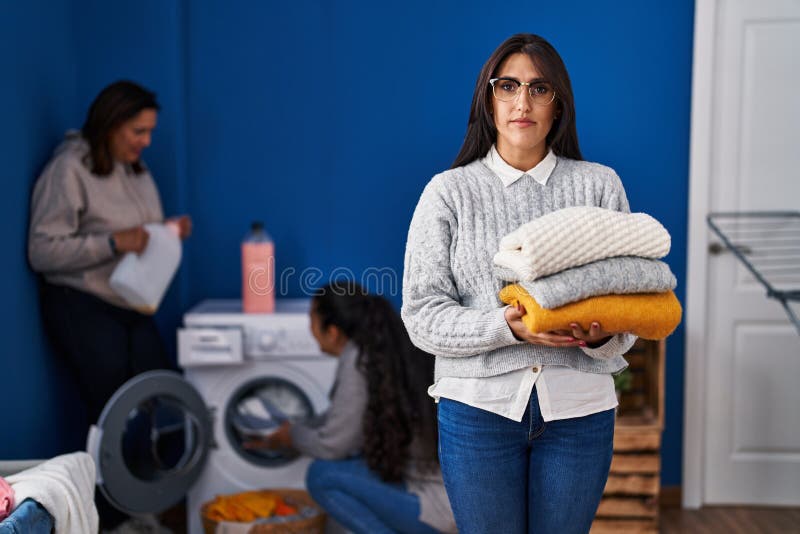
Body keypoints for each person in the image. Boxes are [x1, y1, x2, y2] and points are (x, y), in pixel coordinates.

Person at [401, 33, 639, 534]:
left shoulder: (600, 186)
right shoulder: (449, 192)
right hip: (477, 411)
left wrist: (600, 333)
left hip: (579, 409)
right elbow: (422, 314)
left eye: (539, 88)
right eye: (508, 86)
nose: (522, 102)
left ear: (559, 103)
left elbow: (630, 305)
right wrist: (506, 327)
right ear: (489, 100)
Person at [27, 80, 191, 529]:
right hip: (81, 303)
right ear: (111, 123)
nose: (146, 141)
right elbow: (42, 251)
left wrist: (167, 232)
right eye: (138, 131)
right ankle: (108, 515)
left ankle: (147, 500)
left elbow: (145, 231)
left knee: (159, 393)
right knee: (111, 411)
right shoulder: (69, 169)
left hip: (131, 304)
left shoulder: (136, 170)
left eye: (150, 132)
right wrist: (113, 241)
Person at [244, 281, 456, 534]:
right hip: (449, 497)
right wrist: (300, 427)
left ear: (332, 332)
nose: (309, 328)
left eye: (311, 319)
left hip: (435, 508)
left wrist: (291, 436)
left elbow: (332, 446)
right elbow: (340, 419)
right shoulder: (387, 348)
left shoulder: (358, 360)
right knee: (352, 461)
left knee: (322, 476)